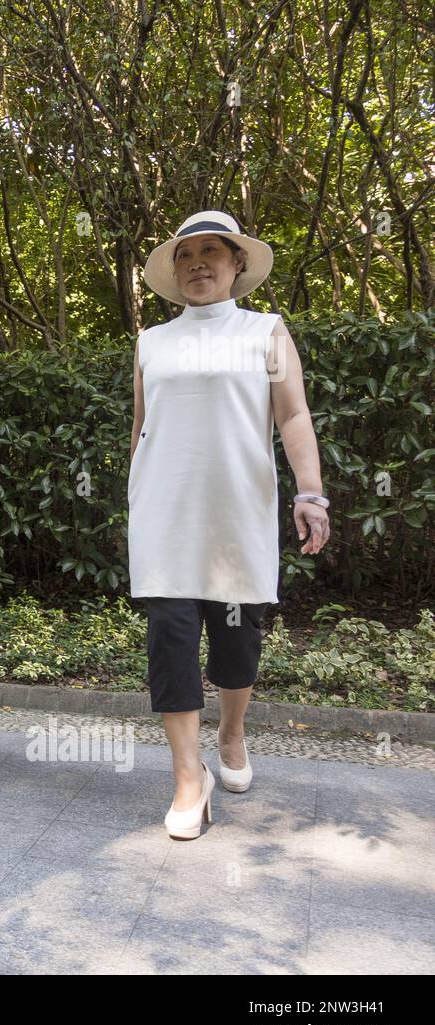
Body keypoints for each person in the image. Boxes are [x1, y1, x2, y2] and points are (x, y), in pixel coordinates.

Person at [131, 210, 331, 839]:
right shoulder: (151, 342)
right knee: (170, 631)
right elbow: (141, 427)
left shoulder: (265, 331)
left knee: (237, 636)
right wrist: (134, 496)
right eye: (185, 253)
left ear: (236, 263)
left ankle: (233, 730)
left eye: (211, 251)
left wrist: (311, 493)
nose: (197, 263)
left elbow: (293, 414)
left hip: (238, 510)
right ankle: (190, 778)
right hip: (164, 510)